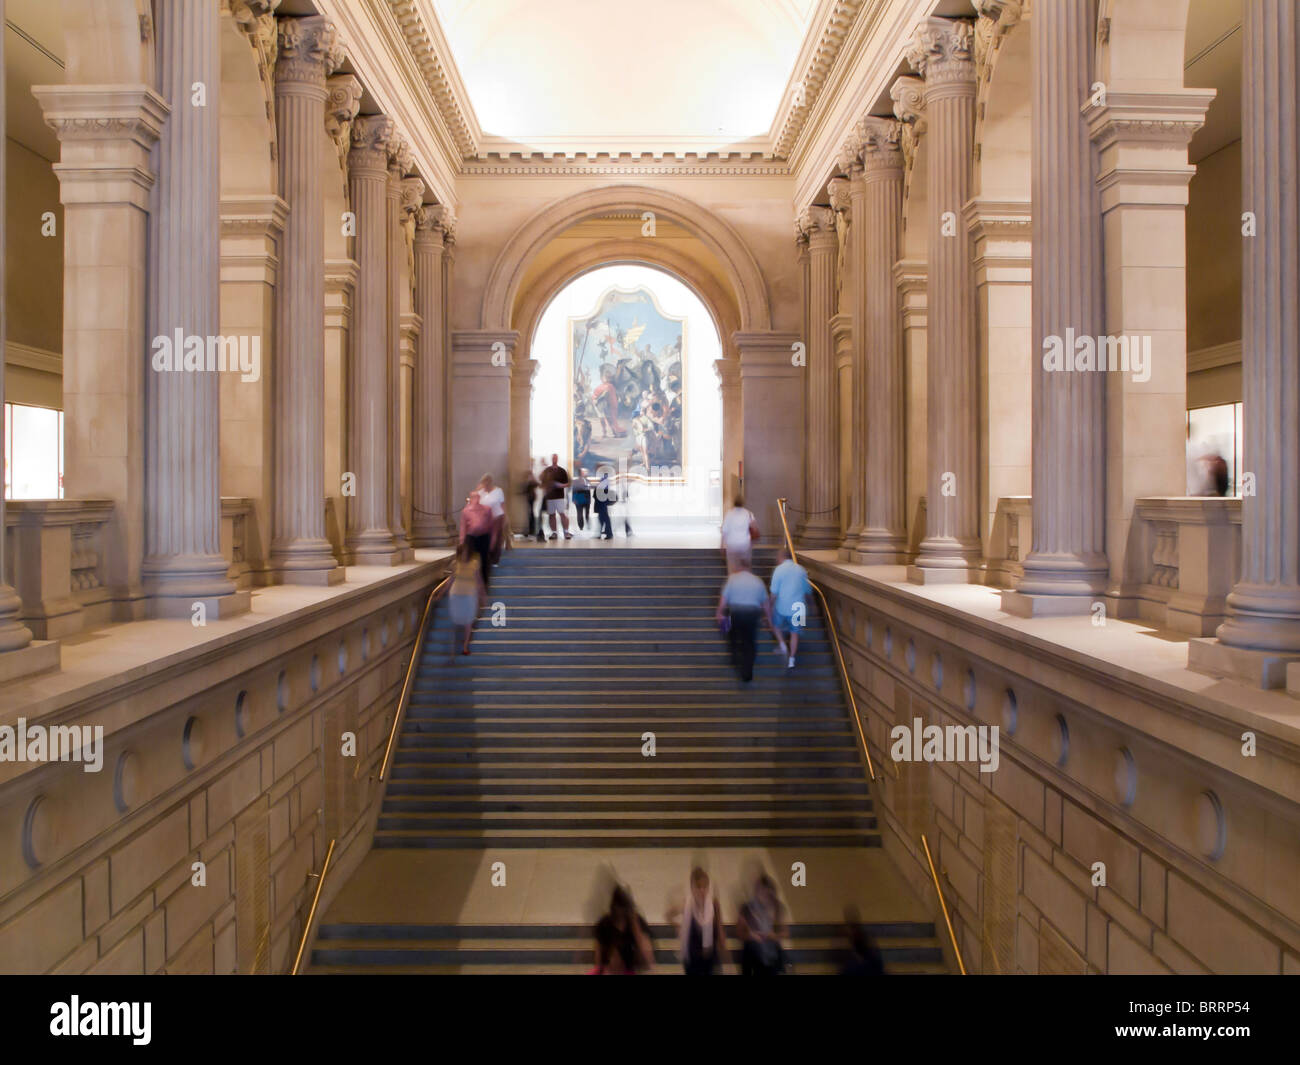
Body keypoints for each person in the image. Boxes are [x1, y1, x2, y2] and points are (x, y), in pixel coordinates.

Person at [715, 557, 777, 682]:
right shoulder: (758, 581)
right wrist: (769, 619)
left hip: (735, 612)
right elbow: (766, 604)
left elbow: (724, 598)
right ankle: (747, 673)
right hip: (752, 614)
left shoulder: (732, 579)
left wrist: (719, 613)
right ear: (749, 568)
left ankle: (734, 658)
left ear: (739, 567)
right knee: (749, 643)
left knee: (733, 636)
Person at [668, 867, 726, 975]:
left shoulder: (714, 904)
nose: (702, 890)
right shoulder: (688, 905)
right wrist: (678, 926)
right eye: (699, 887)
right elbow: (669, 915)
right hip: (692, 959)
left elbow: (720, 931)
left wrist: (723, 951)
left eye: (705, 886)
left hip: (709, 958)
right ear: (692, 887)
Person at [591, 886, 655, 974]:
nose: (620, 912)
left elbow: (648, 961)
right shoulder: (604, 924)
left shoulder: (635, 923)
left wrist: (635, 926)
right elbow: (598, 957)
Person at [736, 874, 789, 976]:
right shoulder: (747, 908)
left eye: (766, 892)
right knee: (752, 951)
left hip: (771, 953)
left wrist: (774, 936)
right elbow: (739, 933)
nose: (763, 896)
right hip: (752, 952)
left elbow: (785, 933)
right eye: (760, 891)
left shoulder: (777, 907)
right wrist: (752, 936)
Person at [769, 544, 811, 669]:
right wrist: (811, 605)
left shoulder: (779, 570)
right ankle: (792, 659)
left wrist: (769, 605)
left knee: (775, 624)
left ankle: (782, 645)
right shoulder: (801, 569)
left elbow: (774, 592)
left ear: (781, 557)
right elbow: (807, 590)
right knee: (795, 633)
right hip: (799, 607)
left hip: (783, 605)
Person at [446, 539, 485, 657]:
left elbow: (479, 581)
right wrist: (439, 593)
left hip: (469, 596)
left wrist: (482, 594)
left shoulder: (474, 563)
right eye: (463, 552)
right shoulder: (455, 564)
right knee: (457, 621)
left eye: (466, 552)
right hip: (456, 595)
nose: (464, 554)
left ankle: (465, 646)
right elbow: (450, 581)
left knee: (468, 621)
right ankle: (453, 648)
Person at [457, 489, 495, 592]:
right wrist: (462, 541)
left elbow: (491, 526)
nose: (475, 499)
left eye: (477, 497)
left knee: (484, 560)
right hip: (471, 538)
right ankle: (473, 584)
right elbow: (463, 526)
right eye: (473, 497)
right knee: (471, 561)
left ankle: (484, 584)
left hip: (484, 537)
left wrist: (492, 541)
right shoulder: (466, 511)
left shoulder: (487, 509)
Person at [720, 494, 759, 573]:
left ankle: (734, 582)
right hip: (745, 545)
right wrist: (752, 543)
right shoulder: (748, 513)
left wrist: (722, 545)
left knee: (732, 568)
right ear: (742, 503)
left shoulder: (729, 514)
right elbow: (754, 528)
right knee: (746, 568)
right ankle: (745, 582)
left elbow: (724, 531)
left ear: (734, 503)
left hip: (732, 545)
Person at [540, 452, 572, 541]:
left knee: (562, 514)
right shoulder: (547, 470)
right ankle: (554, 532)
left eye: (556, 458)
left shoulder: (562, 471)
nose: (554, 459)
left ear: (557, 459)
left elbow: (568, 483)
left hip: (559, 497)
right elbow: (542, 483)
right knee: (551, 515)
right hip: (550, 497)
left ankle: (566, 531)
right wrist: (548, 486)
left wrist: (560, 485)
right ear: (551, 459)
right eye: (553, 458)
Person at [476, 473, 506, 564]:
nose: (485, 485)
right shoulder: (481, 492)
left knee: (496, 538)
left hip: (497, 517)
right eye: (483, 483)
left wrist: (505, 517)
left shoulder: (498, 491)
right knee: (485, 539)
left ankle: (494, 559)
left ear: (490, 482)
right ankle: (486, 557)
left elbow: (502, 505)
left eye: (486, 483)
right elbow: (475, 502)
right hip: (484, 519)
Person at [593, 467, 616, 540]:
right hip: (602, 502)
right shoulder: (604, 480)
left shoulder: (604, 480)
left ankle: (608, 533)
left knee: (604, 518)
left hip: (601, 502)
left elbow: (602, 491)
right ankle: (604, 533)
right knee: (602, 518)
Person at [521, 462, 540, 538]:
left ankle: (532, 530)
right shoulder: (526, 475)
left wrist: (532, 478)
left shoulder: (533, 475)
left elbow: (537, 484)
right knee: (528, 514)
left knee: (531, 514)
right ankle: (528, 530)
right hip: (527, 497)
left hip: (531, 497)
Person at [571, 468, 592, 533]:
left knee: (587, 513)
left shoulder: (587, 480)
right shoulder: (575, 481)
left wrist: (589, 500)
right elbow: (574, 491)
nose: (585, 473)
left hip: (586, 499)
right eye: (583, 472)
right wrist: (574, 499)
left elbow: (589, 490)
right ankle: (581, 527)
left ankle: (588, 525)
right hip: (579, 499)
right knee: (579, 514)